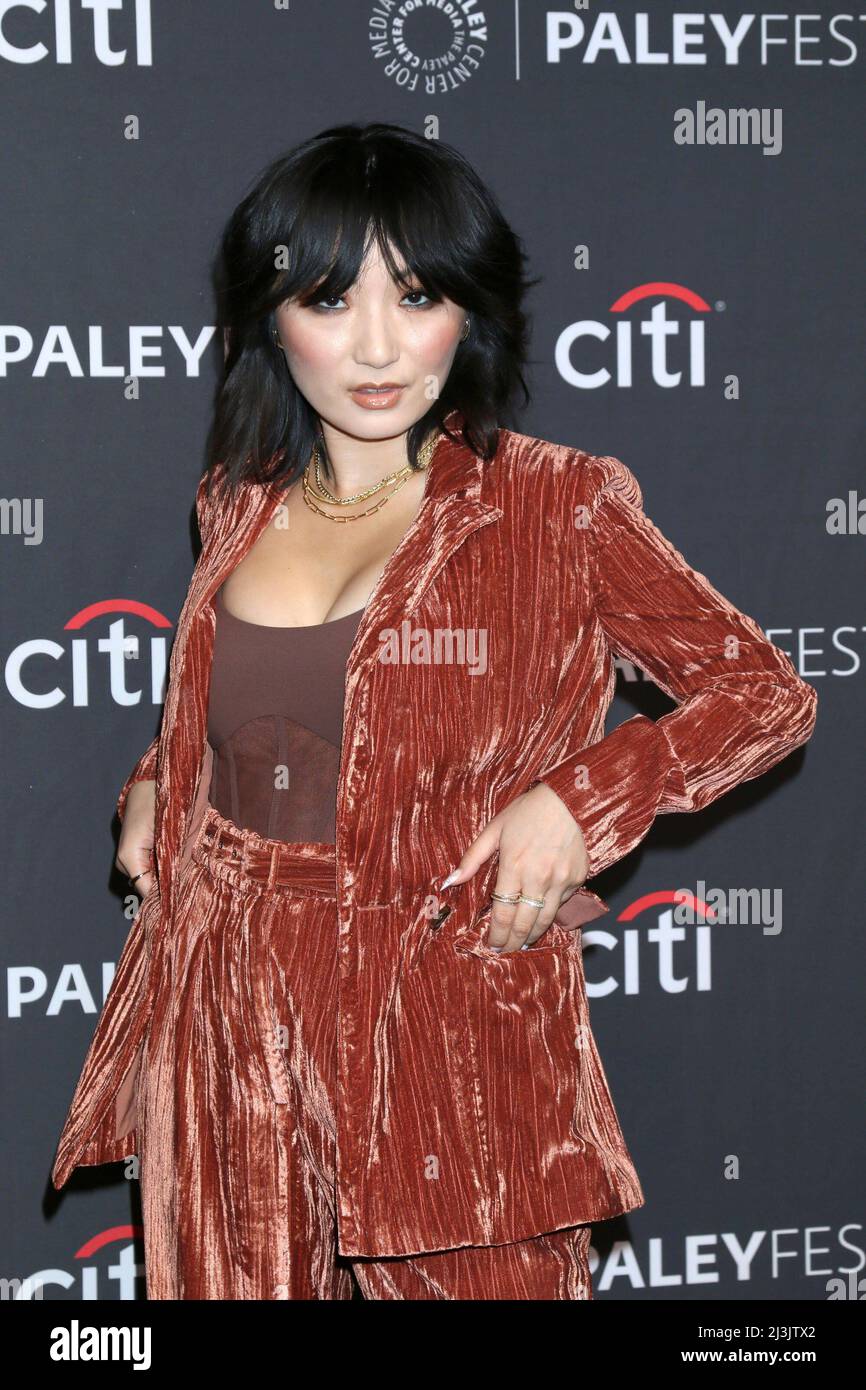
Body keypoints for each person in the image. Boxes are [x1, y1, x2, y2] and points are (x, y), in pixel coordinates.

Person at [51, 123, 818, 1300]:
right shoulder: (238, 503)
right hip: (220, 1002)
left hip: (439, 1017)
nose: (373, 345)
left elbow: (760, 694)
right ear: (271, 317)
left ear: (467, 312)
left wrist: (582, 796)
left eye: (414, 296)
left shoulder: (555, 503)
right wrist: (158, 782)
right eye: (326, 296)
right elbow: (269, 723)